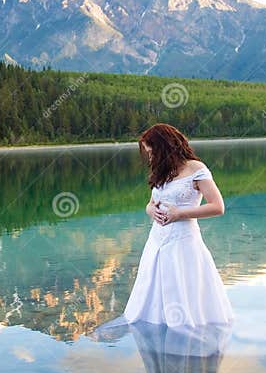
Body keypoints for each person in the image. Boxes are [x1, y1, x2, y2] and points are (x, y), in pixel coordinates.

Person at [93, 123, 234, 333]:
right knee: (154, 290)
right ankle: (159, 326)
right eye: (148, 153)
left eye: (152, 152)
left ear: (165, 147)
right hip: (157, 241)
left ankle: (183, 330)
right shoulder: (162, 171)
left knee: (181, 287)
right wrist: (151, 211)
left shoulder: (196, 169)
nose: (150, 158)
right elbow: (151, 203)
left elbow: (217, 206)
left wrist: (179, 214)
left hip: (183, 241)